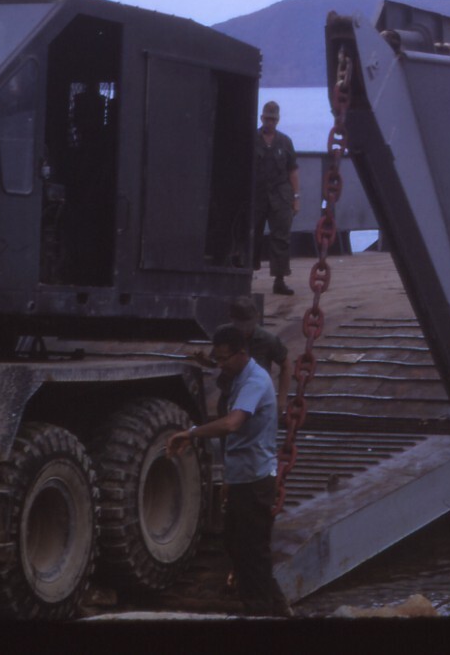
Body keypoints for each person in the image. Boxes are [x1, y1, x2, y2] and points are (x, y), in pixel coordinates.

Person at [166, 324, 292, 617]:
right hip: (242, 477)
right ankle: (275, 604)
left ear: (241, 353)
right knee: (234, 543)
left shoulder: (255, 382)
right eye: (217, 359)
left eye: (224, 359)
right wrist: (229, 480)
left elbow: (231, 424)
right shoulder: (238, 375)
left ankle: (259, 610)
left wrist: (191, 433)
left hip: (256, 480)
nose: (220, 365)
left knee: (253, 549)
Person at [214, 297, 291, 425]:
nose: (244, 329)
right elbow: (218, 362)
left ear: (257, 318)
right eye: (240, 324)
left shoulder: (268, 340)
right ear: (231, 319)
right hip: (229, 396)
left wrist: (281, 399)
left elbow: (286, 365)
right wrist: (206, 361)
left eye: (248, 324)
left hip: (256, 401)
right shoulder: (223, 334)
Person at [253, 100, 300, 295]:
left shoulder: (285, 142)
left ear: (278, 120)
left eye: (273, 119)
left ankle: (279, 280)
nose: (269, 122)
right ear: (261, 118)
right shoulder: (252, 139)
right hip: (256, 195)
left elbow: (293, 171)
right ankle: (245, 277)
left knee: (281, 237)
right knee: (251, 236)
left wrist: (296, 198)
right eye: (266, 118)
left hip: (280, 195)